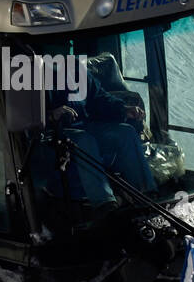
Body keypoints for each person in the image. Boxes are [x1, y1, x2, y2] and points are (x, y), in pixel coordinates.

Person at [39, 66, 156, 212]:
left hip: (86, 126)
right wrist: (50, 115)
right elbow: (22, 113)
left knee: (125, 132)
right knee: (83, 140)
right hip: (52, 132)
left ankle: (146, 196)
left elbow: (100, 99)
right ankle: (105, 204)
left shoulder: (75, 70)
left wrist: (124, 109)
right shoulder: (30, 74)